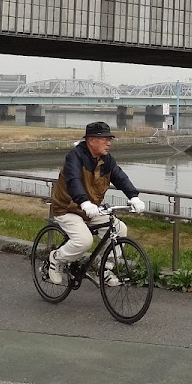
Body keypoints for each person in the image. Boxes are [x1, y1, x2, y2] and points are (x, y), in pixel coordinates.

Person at [47, 121, 146, 286]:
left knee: (120, 229)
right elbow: (73, 181)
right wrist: (84, 202)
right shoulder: (75, 157)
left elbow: (120, 177)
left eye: (110, 139)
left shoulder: (107, 160)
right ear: (91, 140)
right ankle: (56, 258)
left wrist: (133, 196)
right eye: (105, 139)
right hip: (67, 208)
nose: (109, 143)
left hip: (91, 209)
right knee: (84, 241)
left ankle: (103, 267)